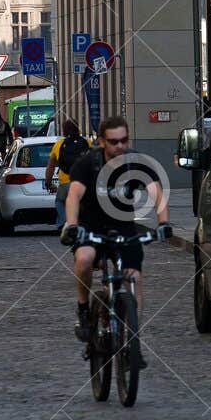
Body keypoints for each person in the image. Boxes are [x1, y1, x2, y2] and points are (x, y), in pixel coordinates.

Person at [61, 115, 169, 344]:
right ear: (102, 141)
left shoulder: (135, 162)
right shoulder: (87, 164)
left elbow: (155, 191)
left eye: (123, 140)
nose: (119, 146)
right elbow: (74, 196)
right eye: (113, 141)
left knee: (135, 278)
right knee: (84, 259)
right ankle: (83, 309)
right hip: (90, 226)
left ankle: (133, 337)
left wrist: (164, 223)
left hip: (123, 226)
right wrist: (72, 225)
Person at [45, 119, 90, 228]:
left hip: (65, 184)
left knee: (60, 201)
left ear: (64, 130)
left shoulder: (59, 144)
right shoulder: (87, 142)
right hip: (83, 183)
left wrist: (48, 183)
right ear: (77, 128)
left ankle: (63, 222)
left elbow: (50, 167)